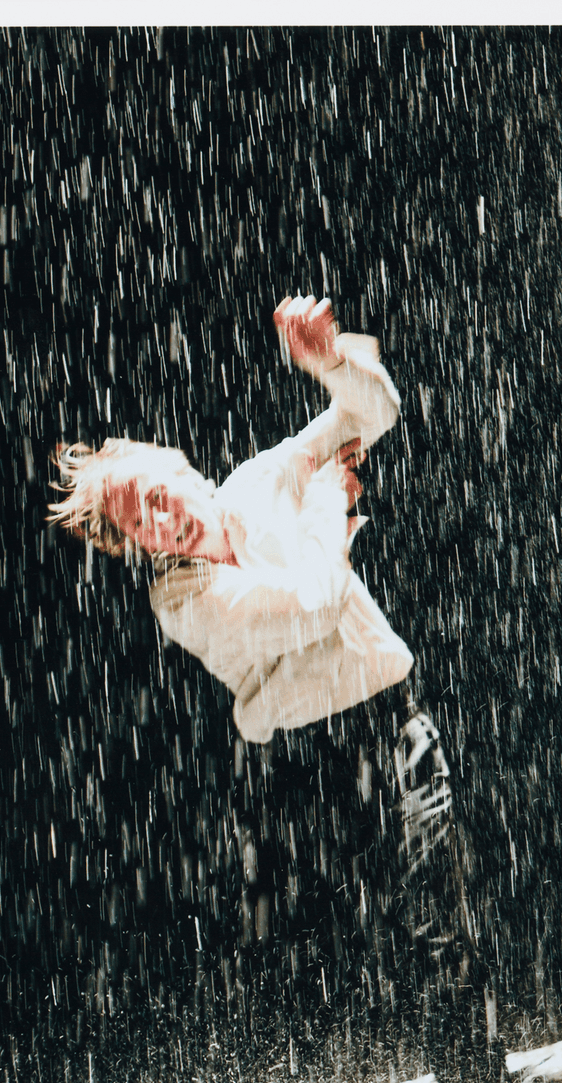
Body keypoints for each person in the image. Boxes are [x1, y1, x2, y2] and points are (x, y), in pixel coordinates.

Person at [49, 295, 454, 870]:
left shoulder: (259, 481)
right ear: (137, 543)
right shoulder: (182, 602)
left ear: (182, 467)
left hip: (391, 713)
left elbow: (376, 415)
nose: (164, 522)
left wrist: (330, 362)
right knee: (350, 945)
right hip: (308, 762)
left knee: (439, 922)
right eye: (141, 521)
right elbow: (313, 605)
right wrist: (328, 498)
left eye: (159, 496)